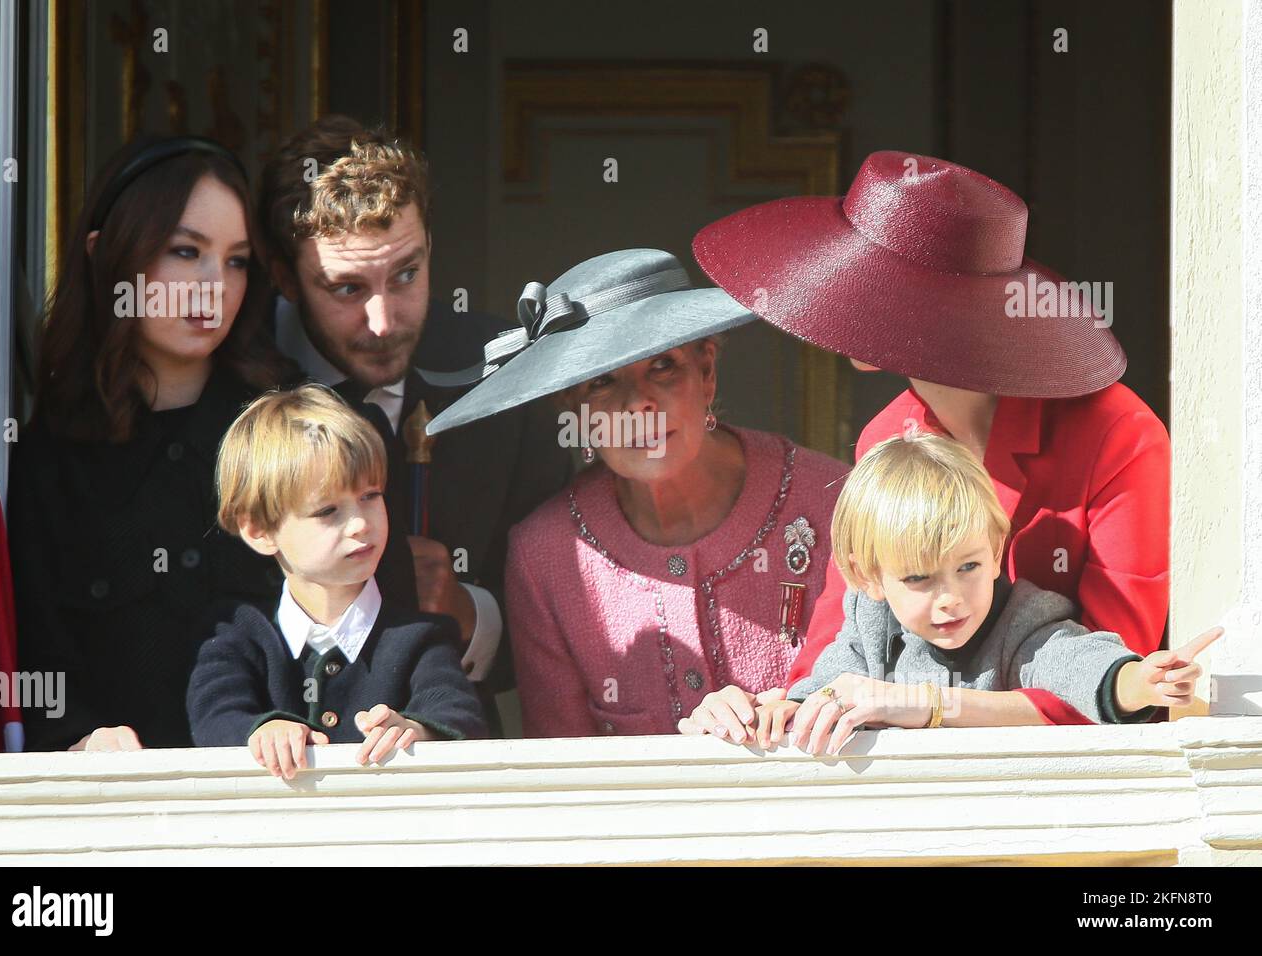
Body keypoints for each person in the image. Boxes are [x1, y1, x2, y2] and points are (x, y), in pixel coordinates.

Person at [690, 150, 1174, 728]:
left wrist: (932, 709)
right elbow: (843, 639)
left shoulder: (1117, 433)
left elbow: (1116, 687)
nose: (830, 305)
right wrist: (777, 710)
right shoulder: (886, 438)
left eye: (856, 282)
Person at [422, 248, 851, 738]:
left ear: (706, 371)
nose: (636, 404)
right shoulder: (545, 555)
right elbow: (569, 774)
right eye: (602, 382)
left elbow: (874, 697)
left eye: (663, 367)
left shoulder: (835, 503)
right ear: (572, 406)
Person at [259, 116, 572, 726]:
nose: (384, 321)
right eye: (347, 289)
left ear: (429, 244)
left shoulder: (504, 377)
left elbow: (571, 610)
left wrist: (468, 613)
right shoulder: (235, 390)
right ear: (283, 279)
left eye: (406, 274)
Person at [8, 136, 300, 750]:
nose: (214, 283)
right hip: (119, 825)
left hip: (284, 811)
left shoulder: (290, 419)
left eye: (237, 260)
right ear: (106, 258)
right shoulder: (50, 453)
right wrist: (80, 738)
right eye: (185, 251)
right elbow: (34, 651)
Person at [749, 434, 1219, 756]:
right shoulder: (870, 621)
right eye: (919, 579)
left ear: (997, 552)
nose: (950, 598)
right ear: (867, 576)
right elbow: (828, 687)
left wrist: (1139, 682)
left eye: (968, 567)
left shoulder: (1023, 621)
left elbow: (1078, 664)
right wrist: (783, 713)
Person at [187, 385, 486, 779]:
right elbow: (213, 717)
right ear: (260, 530)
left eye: (370, 496)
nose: (361, 523)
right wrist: (261, 729)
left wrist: (417, 729)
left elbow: (459, 714)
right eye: (328, 510)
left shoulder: (422, 637)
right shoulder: (233, 637)